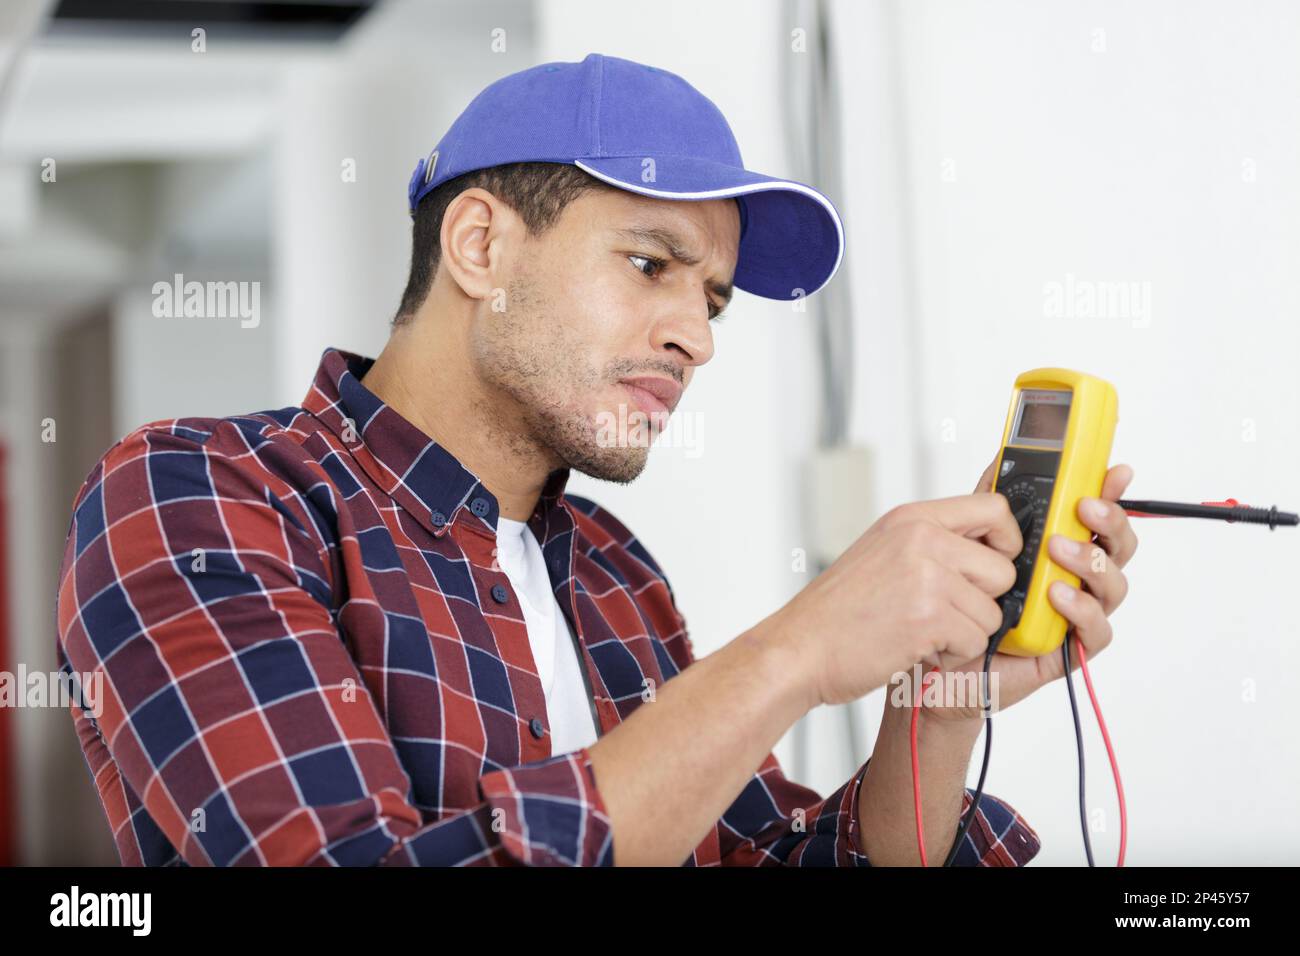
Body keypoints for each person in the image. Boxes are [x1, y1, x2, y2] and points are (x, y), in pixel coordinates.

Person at [54, 53, 1137, 867]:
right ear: (479, 246)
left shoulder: (614, 571)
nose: (696, 336)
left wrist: (937, 700)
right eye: (649, 262)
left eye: (709, 299)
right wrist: (793, 650)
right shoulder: (202, 494)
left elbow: (776, 857)